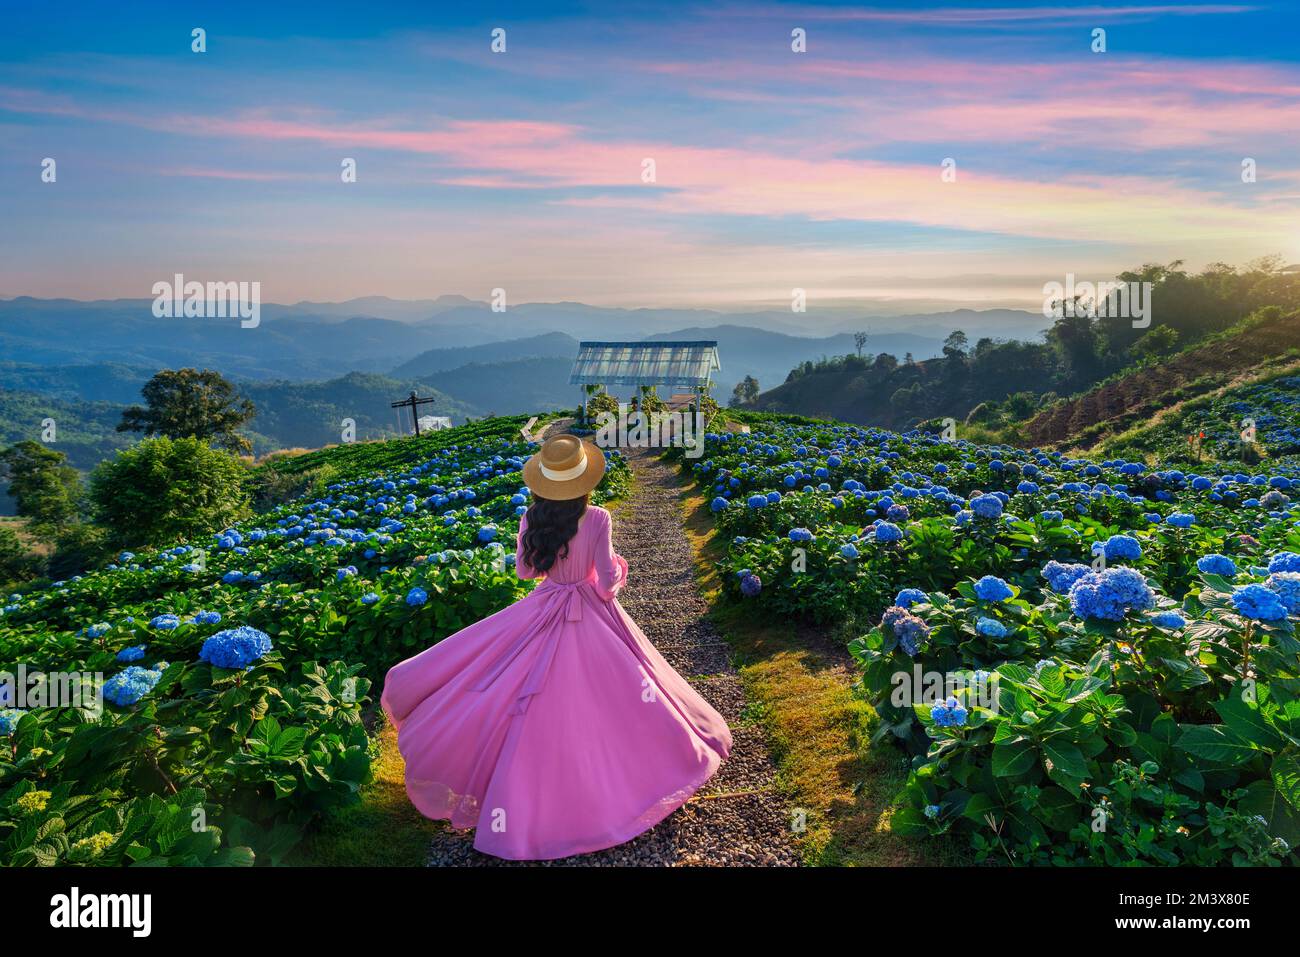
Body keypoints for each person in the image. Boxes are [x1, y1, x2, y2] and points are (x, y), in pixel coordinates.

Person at [381, 433, 732, 860]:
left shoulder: (532, 517)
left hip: (543, 608)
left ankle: (517, 798)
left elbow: (526, 573)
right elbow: (605, 586)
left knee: (507, 684)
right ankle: (631, 781)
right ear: (584, 481)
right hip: (590, 613)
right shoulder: (598, 517)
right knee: (627, 689)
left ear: (543, 482)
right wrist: (618, 570)